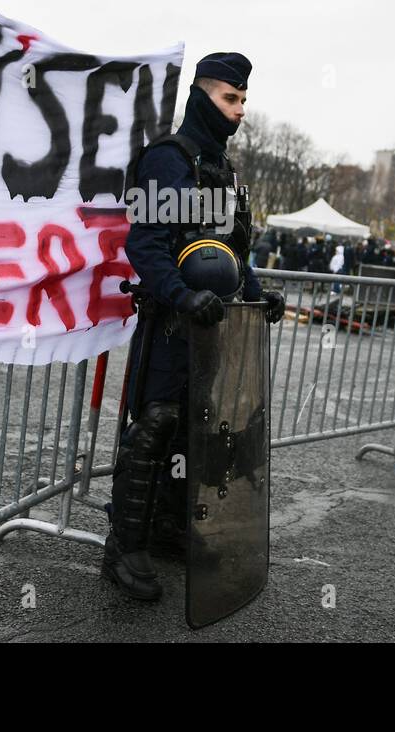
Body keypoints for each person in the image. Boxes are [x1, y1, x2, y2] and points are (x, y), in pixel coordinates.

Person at [104, 52, 285, 602]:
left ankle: (165, 529)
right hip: (170, 323)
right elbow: (146, 245)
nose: (240, 110)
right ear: (203, 96)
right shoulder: (167, 158)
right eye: (231, 99)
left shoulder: (222, 170)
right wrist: (181, 294)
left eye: (243, 100)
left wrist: (257, 295)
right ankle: (123, 548)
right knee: (154, 426)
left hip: (213, 328)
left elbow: (230, 249)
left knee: (195, 430)